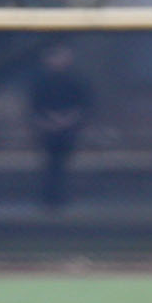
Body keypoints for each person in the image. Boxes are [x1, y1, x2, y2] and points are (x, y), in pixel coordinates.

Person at [28, 43, 92, 210]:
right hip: (47, 130)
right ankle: (48, 199)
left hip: (68, 130)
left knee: (63, 164)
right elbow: (35, 106)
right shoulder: (40, 82)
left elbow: (83, 105)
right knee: (49, 164)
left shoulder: (76, 81)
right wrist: (48, 121)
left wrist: (67, 120)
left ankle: (60, 198)